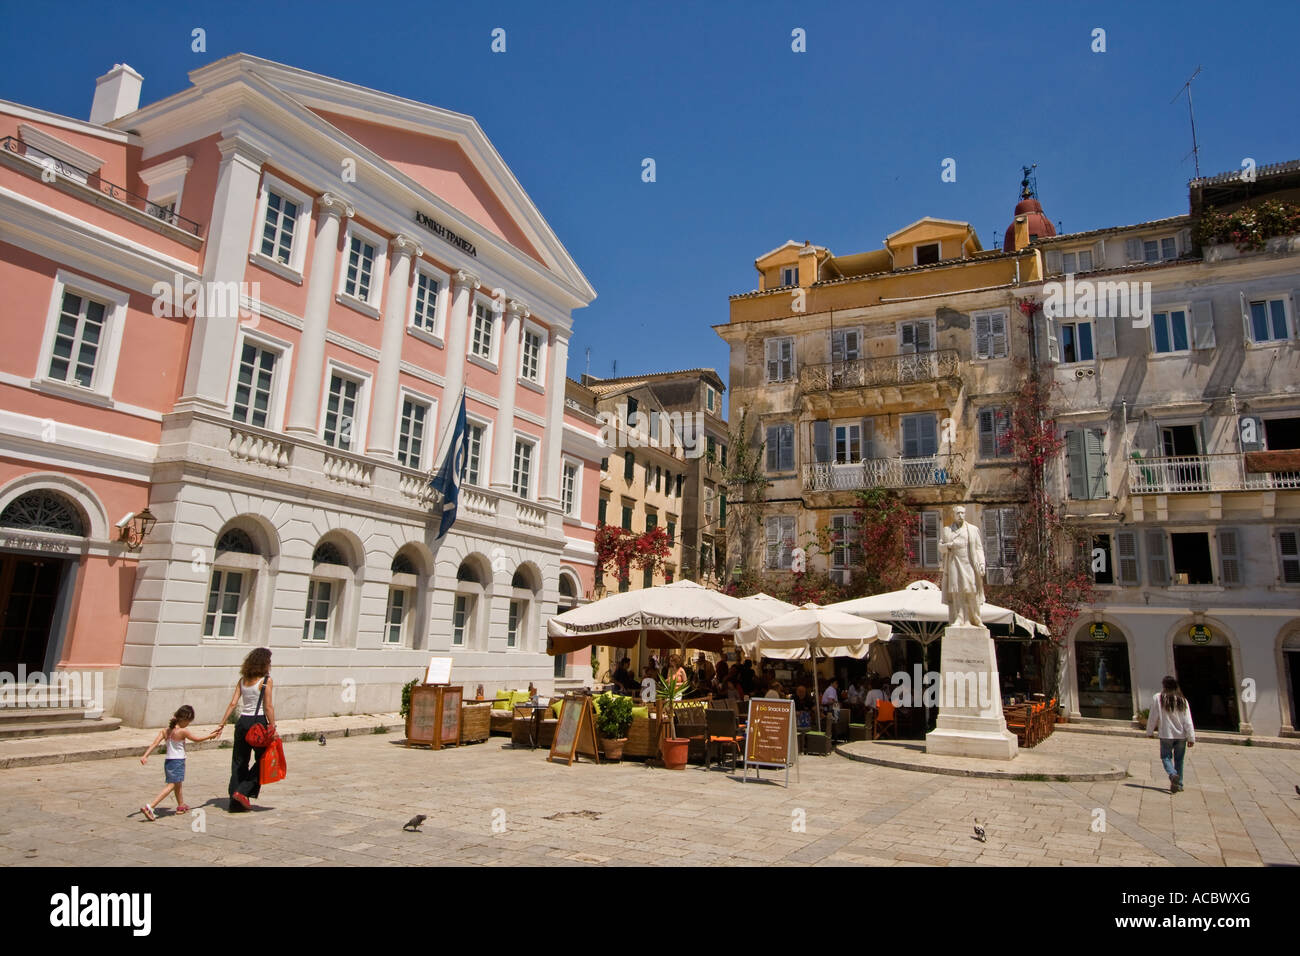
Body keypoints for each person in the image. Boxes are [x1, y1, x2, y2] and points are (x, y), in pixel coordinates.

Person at [214, 647, 276, 812]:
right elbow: (268, 706)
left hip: (242, 722)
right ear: (265, 663)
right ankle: (243, 791)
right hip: (259, 722)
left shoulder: (242, 680)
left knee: (239, 761)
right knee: (264, 760)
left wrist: (222, 723)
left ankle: (235, 802)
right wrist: (273, 725)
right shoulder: (266, 680)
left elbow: (233, 703)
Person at [139, 704, 217, 820]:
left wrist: (145, 756)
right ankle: (150, 806)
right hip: (178, 761)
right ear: (185, 719)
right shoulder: (183, 731)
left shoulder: (166, 730)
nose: (188, 724)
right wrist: (210, 736)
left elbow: (154, 743)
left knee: (178, 784)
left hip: (168, 761)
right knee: (172, 785)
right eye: (189, 721)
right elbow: (196, 740)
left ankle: (181, 805)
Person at [1146, 676, 1195, 793]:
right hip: (1181, 735)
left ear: (1164, 686)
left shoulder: (1158, 698)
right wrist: (1191, 737)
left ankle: (1173, 775)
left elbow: (1153, 716)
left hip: (1166, 734)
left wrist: (1149, 732)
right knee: (1179, 760)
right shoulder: (1182, 700)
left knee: (1165, 757)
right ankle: (1180, 784)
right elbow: (1188, 720)